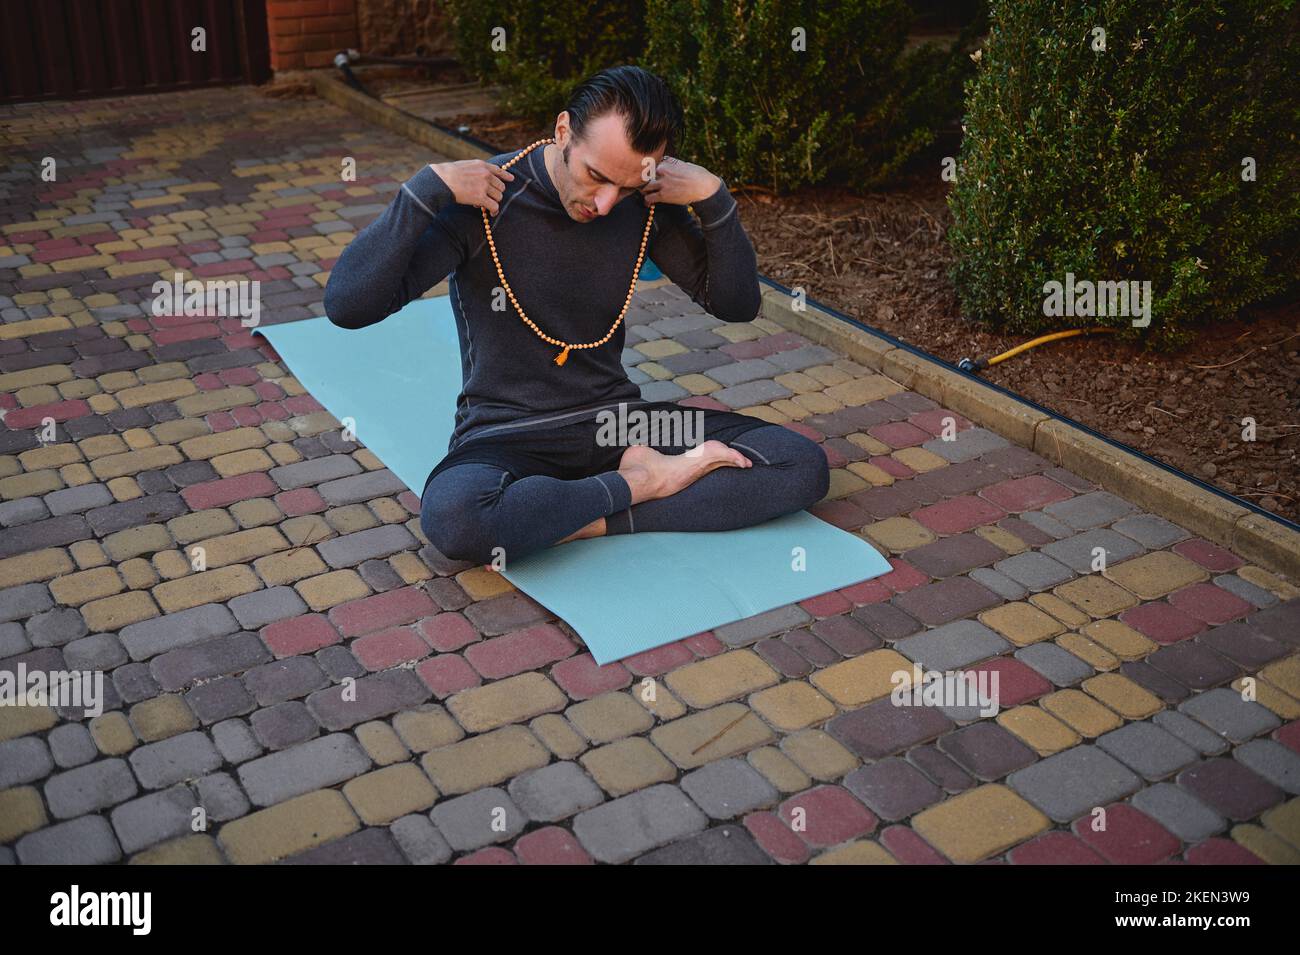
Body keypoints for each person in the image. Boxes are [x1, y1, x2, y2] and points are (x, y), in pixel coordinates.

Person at [324, 64, 829, 567]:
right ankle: (642, 484)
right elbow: (347, 306)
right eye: (597, 177)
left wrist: (715, 200)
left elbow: (736, 306)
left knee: (799, 464)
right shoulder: (489, 197)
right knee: (458, 519)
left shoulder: (644, 203)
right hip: (507, 437)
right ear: (564, 130)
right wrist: (422, 192)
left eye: (627, 187)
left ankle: (573, 517)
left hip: (617, 429)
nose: (608, 204)